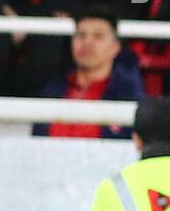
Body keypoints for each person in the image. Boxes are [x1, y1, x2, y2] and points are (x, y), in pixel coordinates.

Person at [33, 7, 146, 139]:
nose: (87, 42)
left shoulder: (129, 95)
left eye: (98, 36)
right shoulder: (53, 90)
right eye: (81, 35)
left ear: (115, 47)